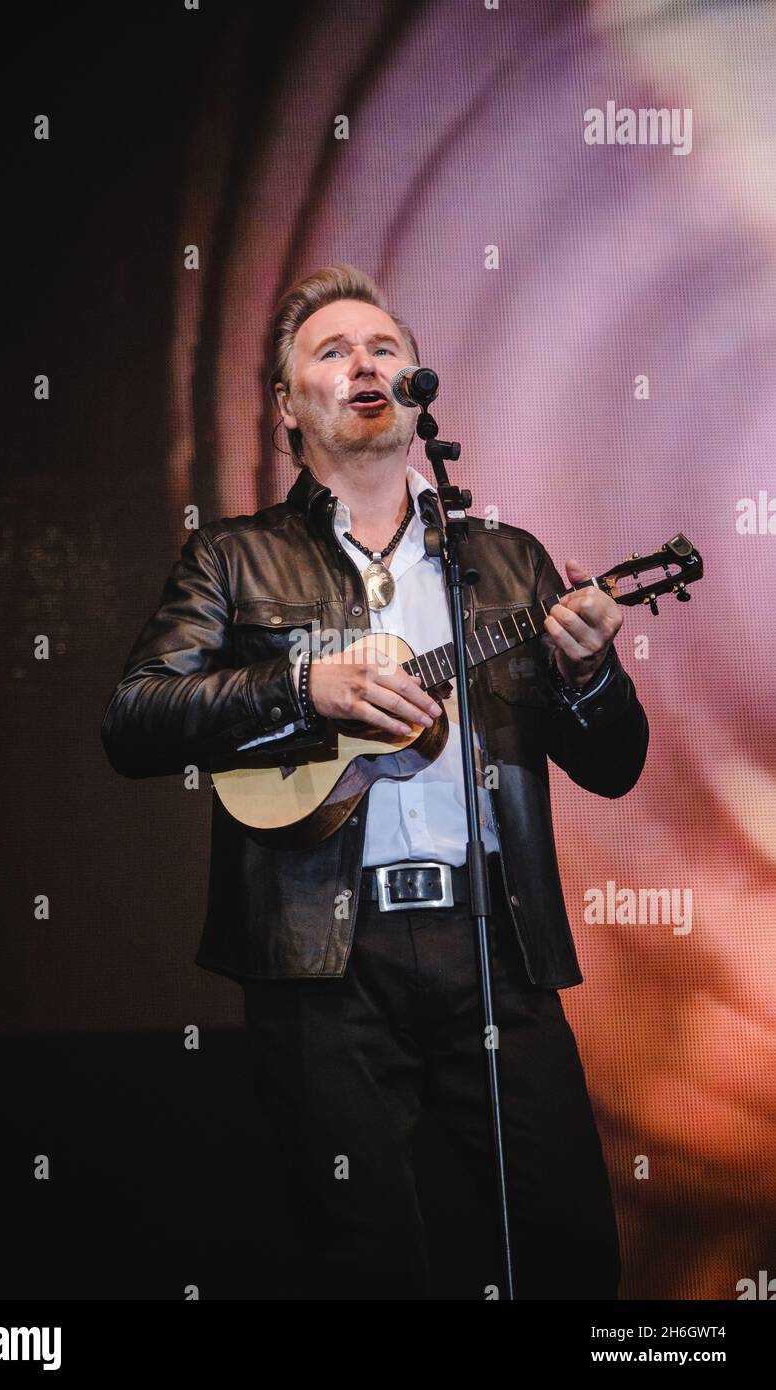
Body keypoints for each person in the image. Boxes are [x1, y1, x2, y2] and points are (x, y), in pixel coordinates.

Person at [101, 263, 649, 1300]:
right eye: (332, 350)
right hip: (320, 959)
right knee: (361, 1257)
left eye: (385, 347)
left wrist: (586, 673)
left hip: (494, 941)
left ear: (416, 389)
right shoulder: (232, 559)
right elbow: (133, 719)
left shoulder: (505, 563)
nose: (366, 362)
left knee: (566, 1244)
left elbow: (614, 766)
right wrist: (302, 685)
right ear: (285, 408)